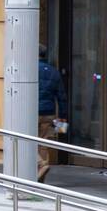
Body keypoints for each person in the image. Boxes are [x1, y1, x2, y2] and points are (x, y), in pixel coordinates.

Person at [38, 44, 66, 182]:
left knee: (25, 141)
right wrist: (63, 116)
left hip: (31, 113)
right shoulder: (53, 72)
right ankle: (41, 174)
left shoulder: (28, 69)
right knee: (43, 142)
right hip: (48, 113)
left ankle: (41, 165)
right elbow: (61, 97)